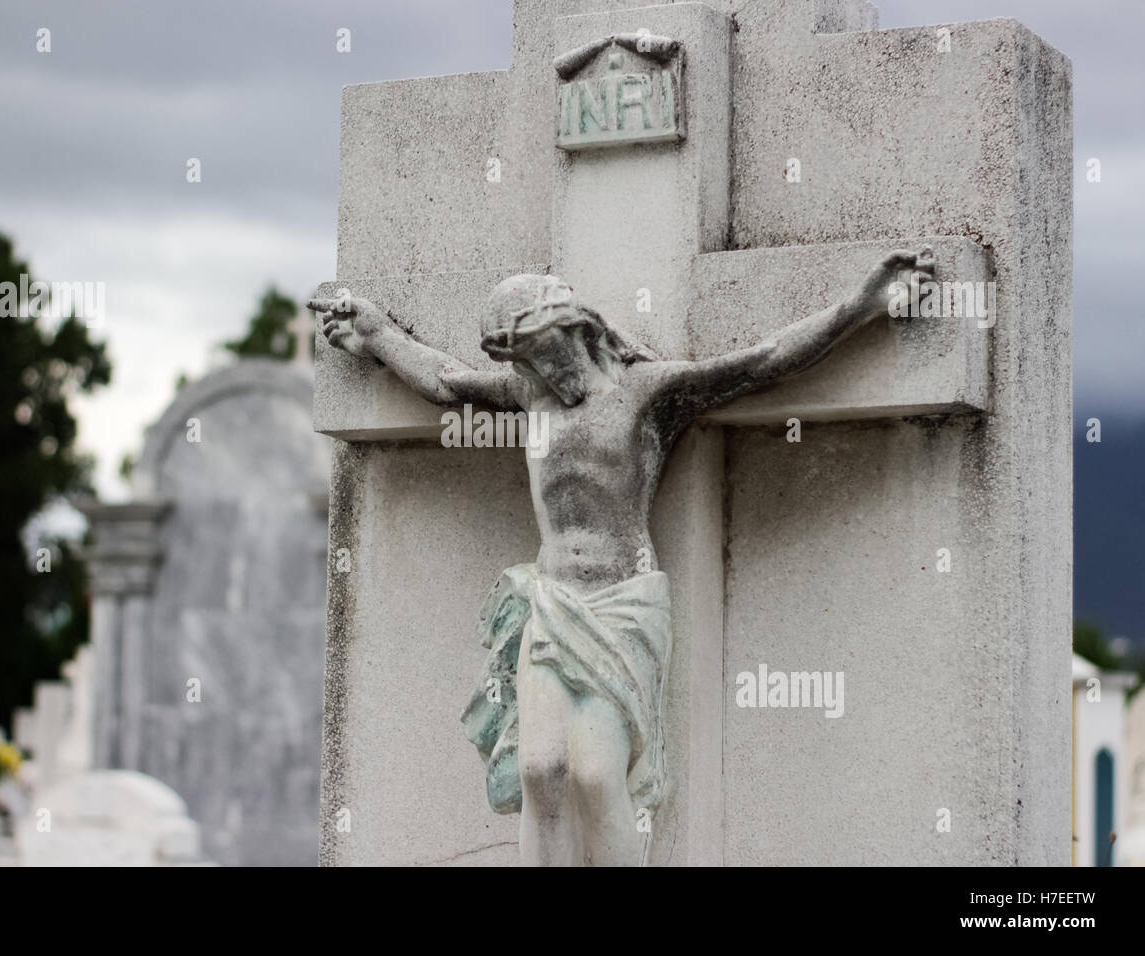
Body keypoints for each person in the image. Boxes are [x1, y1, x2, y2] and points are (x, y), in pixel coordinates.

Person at [310, 247, 936, 865]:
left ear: (577, 329)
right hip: (552, 602)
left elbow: (764, 361)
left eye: (545, 355)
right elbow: (444, 382)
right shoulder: (531, 398)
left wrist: (863, 304)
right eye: (526, 364)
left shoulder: (648, 392)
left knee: (593, 774)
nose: (544, 375)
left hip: (623, 604)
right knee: (539, 768)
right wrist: (376, 333)